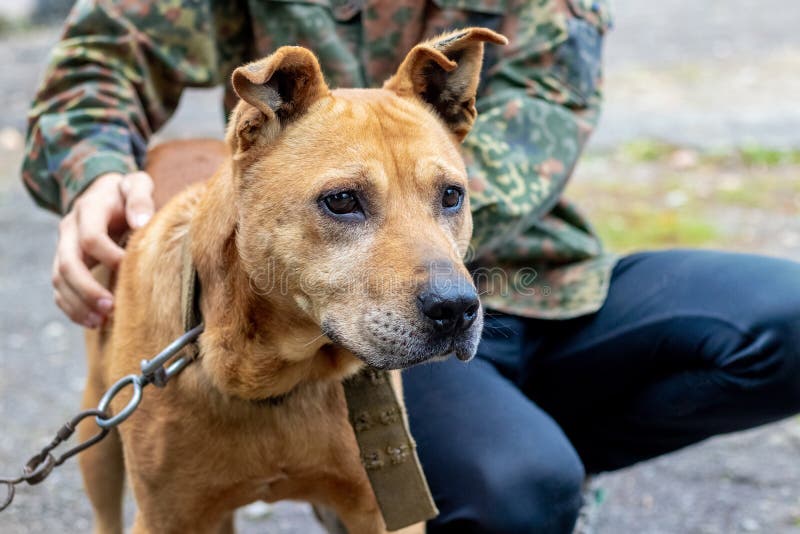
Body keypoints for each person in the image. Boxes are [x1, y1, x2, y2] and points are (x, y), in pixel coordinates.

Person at [23, 1, 800, 532]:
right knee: (514, 493)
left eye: (447, 196)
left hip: (530, 280)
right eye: (342, 201)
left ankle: (536, 447)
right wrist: (93, 173)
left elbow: (533, 130)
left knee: (785, 319)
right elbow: (100, 59)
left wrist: (407, 198)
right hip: (328, 317)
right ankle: (509, 463)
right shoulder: (272, 151)